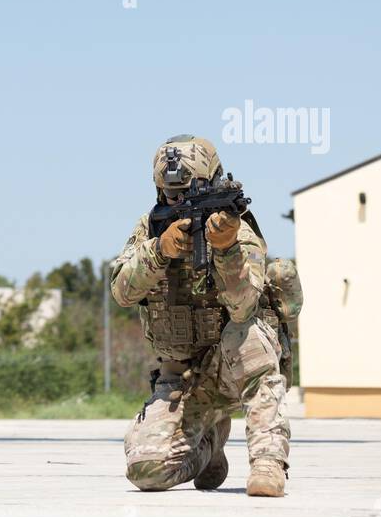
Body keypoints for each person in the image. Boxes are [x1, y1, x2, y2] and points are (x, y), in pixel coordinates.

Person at [110, 135, 290, 497]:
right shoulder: (150, 228)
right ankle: (208, 446)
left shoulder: (238, 230)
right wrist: (158, 251)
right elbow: (122, 293)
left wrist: (225, 249)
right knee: (146, 472)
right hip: (182, 380)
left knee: (247, 331)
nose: (177, 201)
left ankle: (268, 461)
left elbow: (242, 305)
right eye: (170, 194)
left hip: (234, 369)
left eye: (188, 192)